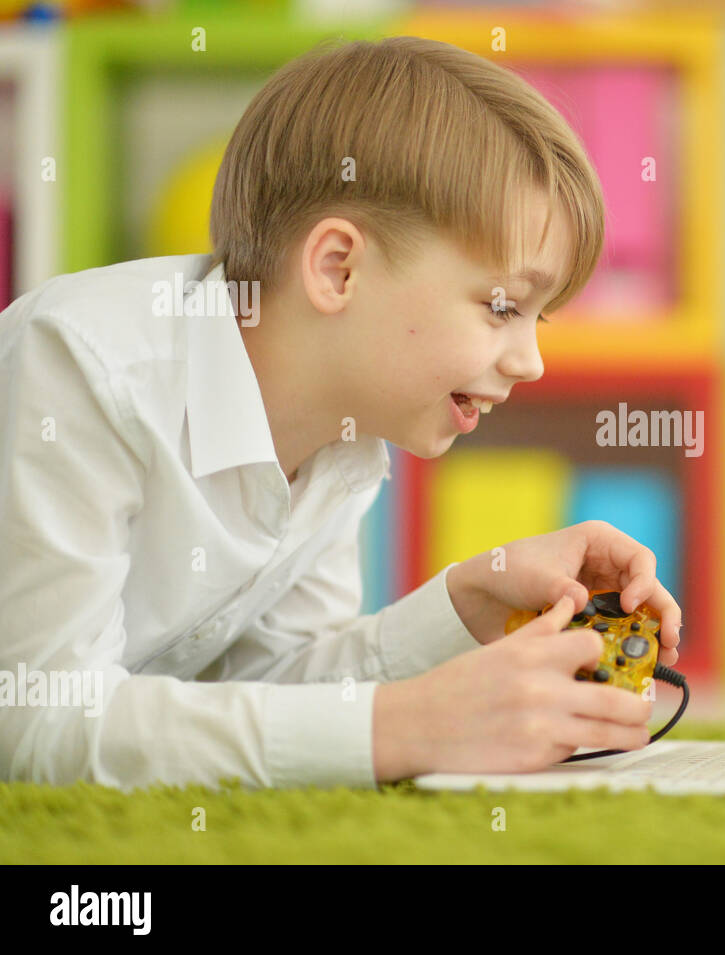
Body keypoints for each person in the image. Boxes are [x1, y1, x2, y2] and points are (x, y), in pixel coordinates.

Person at [0, 36, 681, 791]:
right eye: (501, 305)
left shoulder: (345, 441)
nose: (531, 361)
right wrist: (405, 726)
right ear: (338, 268)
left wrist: (467, 603)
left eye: (537, 320)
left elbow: (270, 686)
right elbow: (38, 720)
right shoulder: (79, 365)